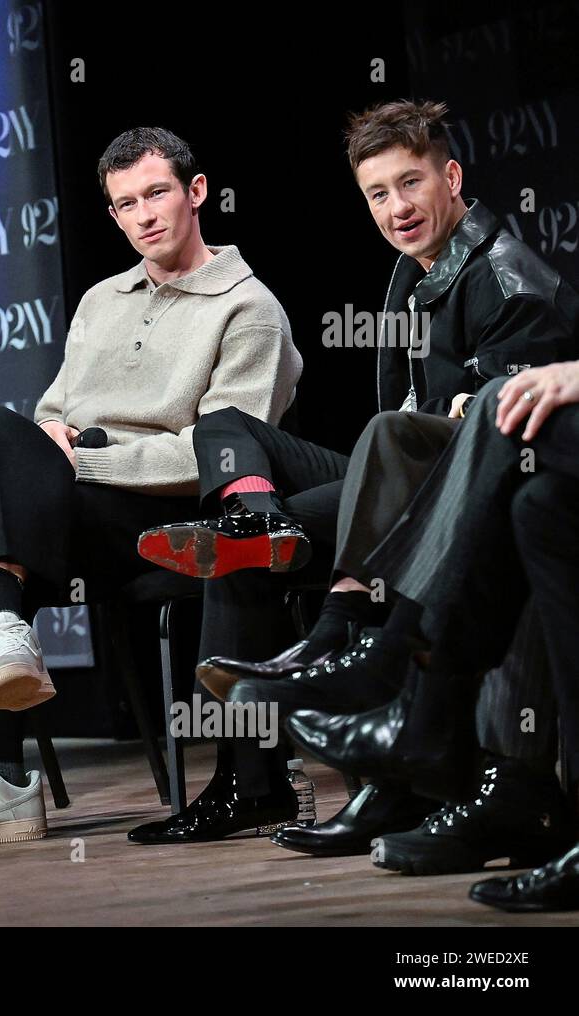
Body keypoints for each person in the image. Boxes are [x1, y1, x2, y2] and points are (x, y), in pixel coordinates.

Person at [137, 100, 577, 856]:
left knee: (385, 437)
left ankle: (351, 681)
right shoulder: (412, 271)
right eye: (378, 193)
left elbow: (508, 427)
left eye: (411, 184)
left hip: (442, 485)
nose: (397, 209)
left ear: (452, 176)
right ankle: (249, 776)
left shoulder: (506, 278)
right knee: (230, 459)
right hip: (394, 474)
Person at [0, 127, 303, 851]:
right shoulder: (100, 301)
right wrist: (51, 441)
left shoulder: (249, 309)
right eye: (124, 205)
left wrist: (87, 461)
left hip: (172, 522)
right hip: (75, 501)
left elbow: (229, 455)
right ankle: (3, 640)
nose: (143, 216)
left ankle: (1, 770)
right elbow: (54, 409)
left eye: (156, 194)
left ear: (196, 192)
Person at [286, 362, 578, 881]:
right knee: (537, 505)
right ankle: (513, 787)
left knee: (499, 407)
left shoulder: (508, 281)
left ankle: (409, 692)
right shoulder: (411, 287)